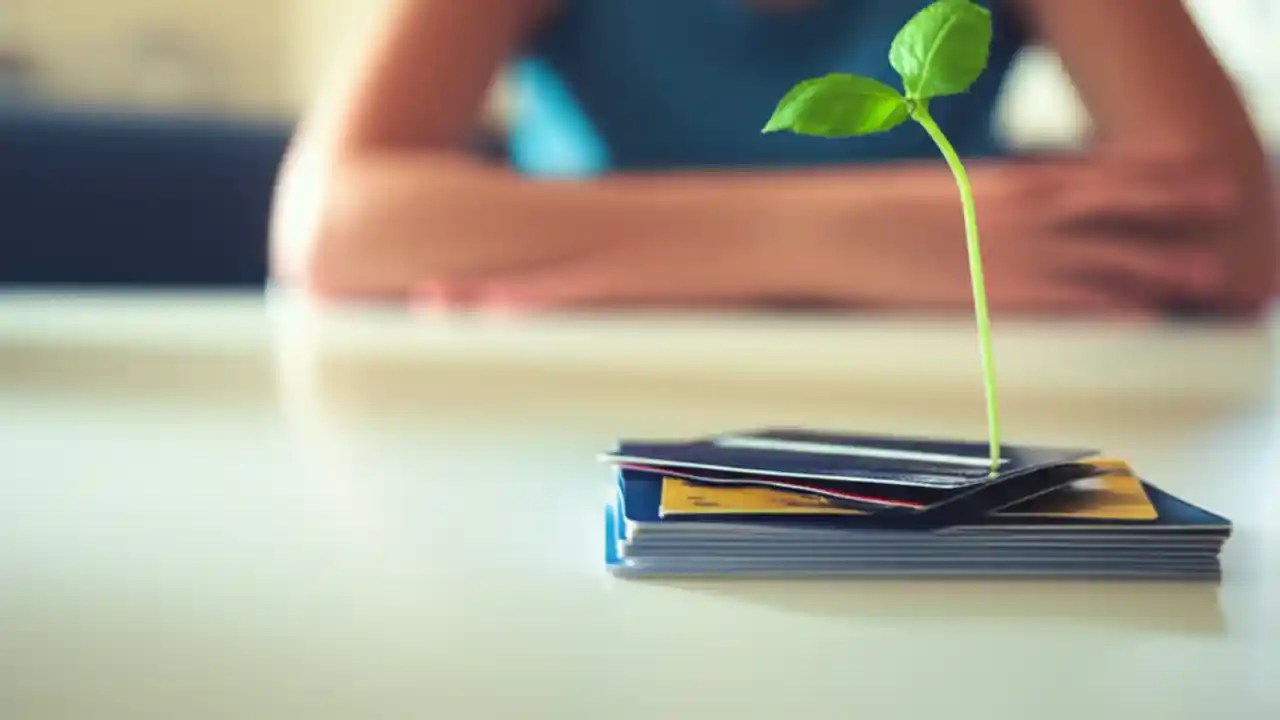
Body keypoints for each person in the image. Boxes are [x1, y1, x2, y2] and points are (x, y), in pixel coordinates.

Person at [271, 0, 1277, 316]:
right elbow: (332, 226)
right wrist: (859, 235)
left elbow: (1236, 241)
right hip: (570, 399)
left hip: (934, 413)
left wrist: (604, 256)